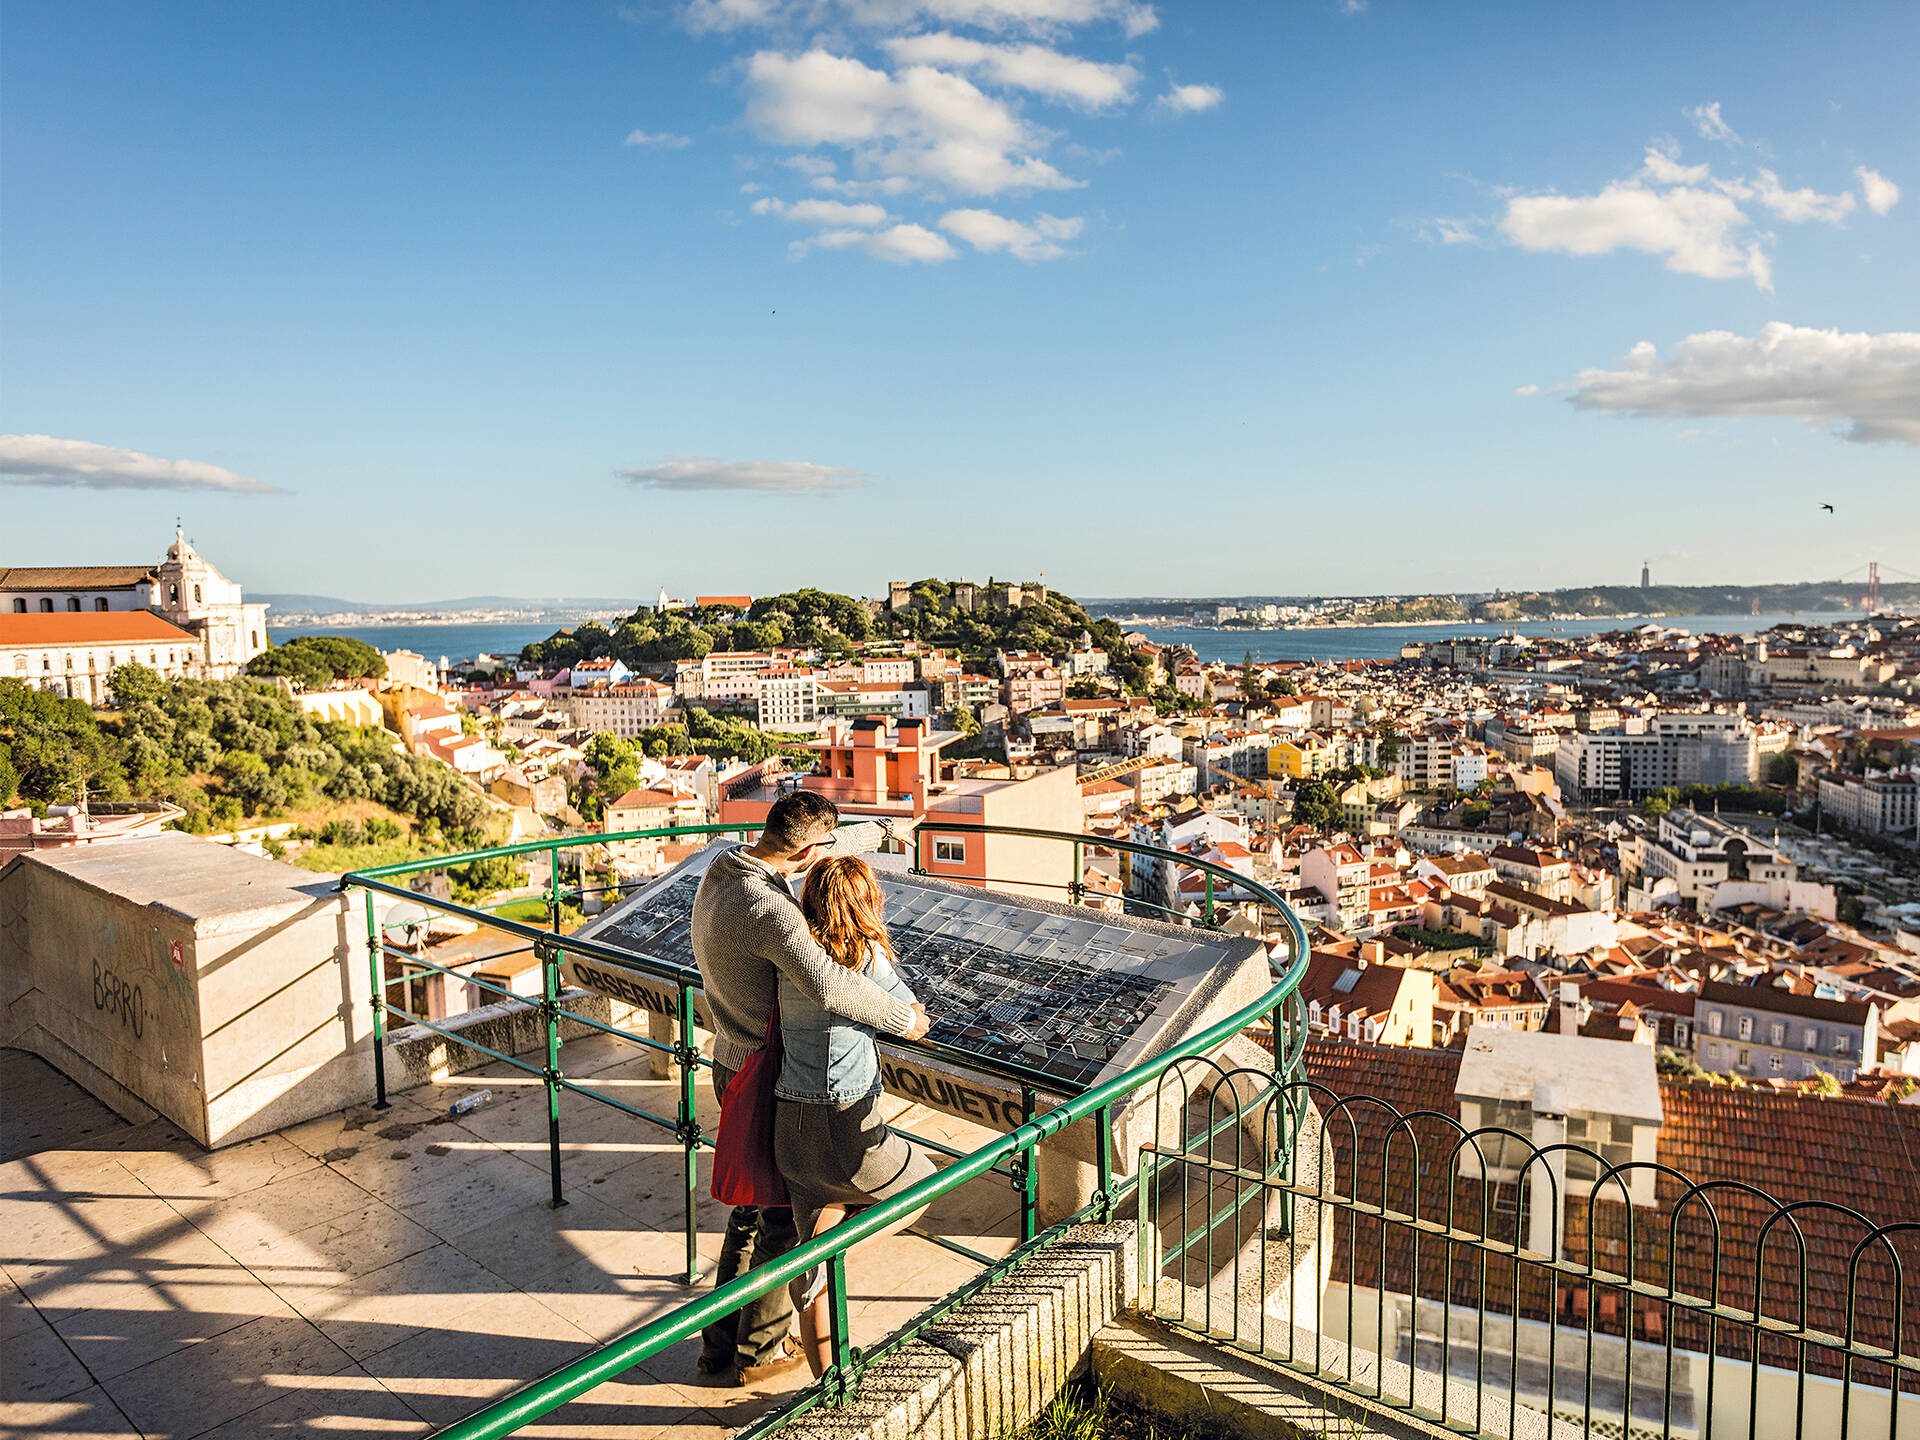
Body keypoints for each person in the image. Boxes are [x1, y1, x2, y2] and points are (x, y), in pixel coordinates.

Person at [690, 791, 929, 1388]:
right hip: (764, 1075)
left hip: (730, 1057)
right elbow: (826, 982)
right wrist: (904, 1021)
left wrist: (880, 829)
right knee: (778, 1223)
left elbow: (816, 847)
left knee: (751, 1210)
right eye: (825, 845)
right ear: (804, 850)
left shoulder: (724, 863)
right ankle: (760, 1351)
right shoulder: (768, 909)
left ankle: (718, 1346)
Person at [777, 855, 938, 1377]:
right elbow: (913, 1018)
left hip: (789, 1122)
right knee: (922, 1185)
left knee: (810, 1253)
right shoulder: (864, 956)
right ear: (864, 904)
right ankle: (830, 1257)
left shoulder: (791, 955)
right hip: (845, 1121)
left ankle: (826, 1389)